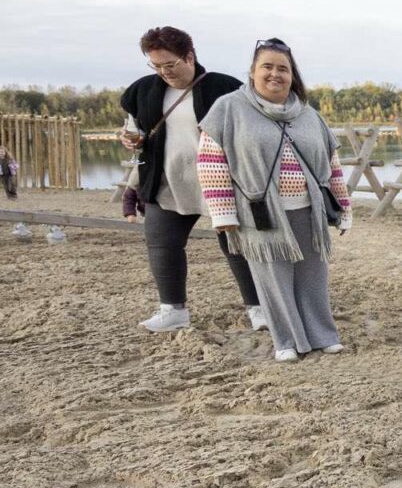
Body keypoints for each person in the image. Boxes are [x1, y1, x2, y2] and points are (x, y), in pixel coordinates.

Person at [197, 38, 352, 362]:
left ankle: (322, 336)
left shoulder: (308, 113)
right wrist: (222, 213)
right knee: (274, 280)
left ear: (293, 75)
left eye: (283, 68)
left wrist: (344, 205)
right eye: (267, 66)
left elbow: (331, 164)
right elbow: (211, 162)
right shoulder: (229, 108)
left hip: (308, 210)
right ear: (253, 71)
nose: (275, 74)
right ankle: (287, 341)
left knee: (313, 278)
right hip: (259, 213)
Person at [119, 26, 264, 332]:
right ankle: (173, 310)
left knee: (236, 246)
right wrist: (133, 145)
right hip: (167, 180)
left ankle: (258, 308)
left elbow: (252, 134)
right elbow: (137, 132)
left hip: (220, 183)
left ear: (189, 57)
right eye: (156, 65)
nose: (164, 72)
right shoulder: (141, 91)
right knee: (162, 245)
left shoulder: (226, 88)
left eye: (170, 64)